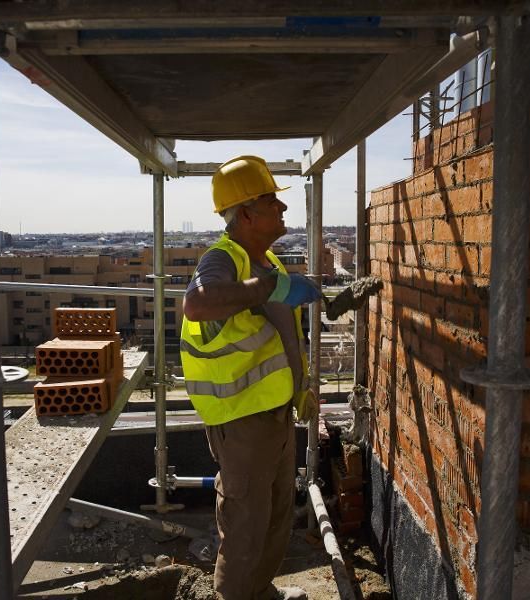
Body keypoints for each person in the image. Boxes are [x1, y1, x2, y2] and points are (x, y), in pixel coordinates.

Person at [181, 155, 322, 600]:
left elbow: (275, 334)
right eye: (271, 202)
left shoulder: (268, 263)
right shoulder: (222, 260)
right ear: (245, 213)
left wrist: (300, 388)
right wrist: (270, 288)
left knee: (278, 514)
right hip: (241, 421)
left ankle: (261, 592)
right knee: (245, 525)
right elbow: (199, 304)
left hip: (274, 415)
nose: (282, 210)